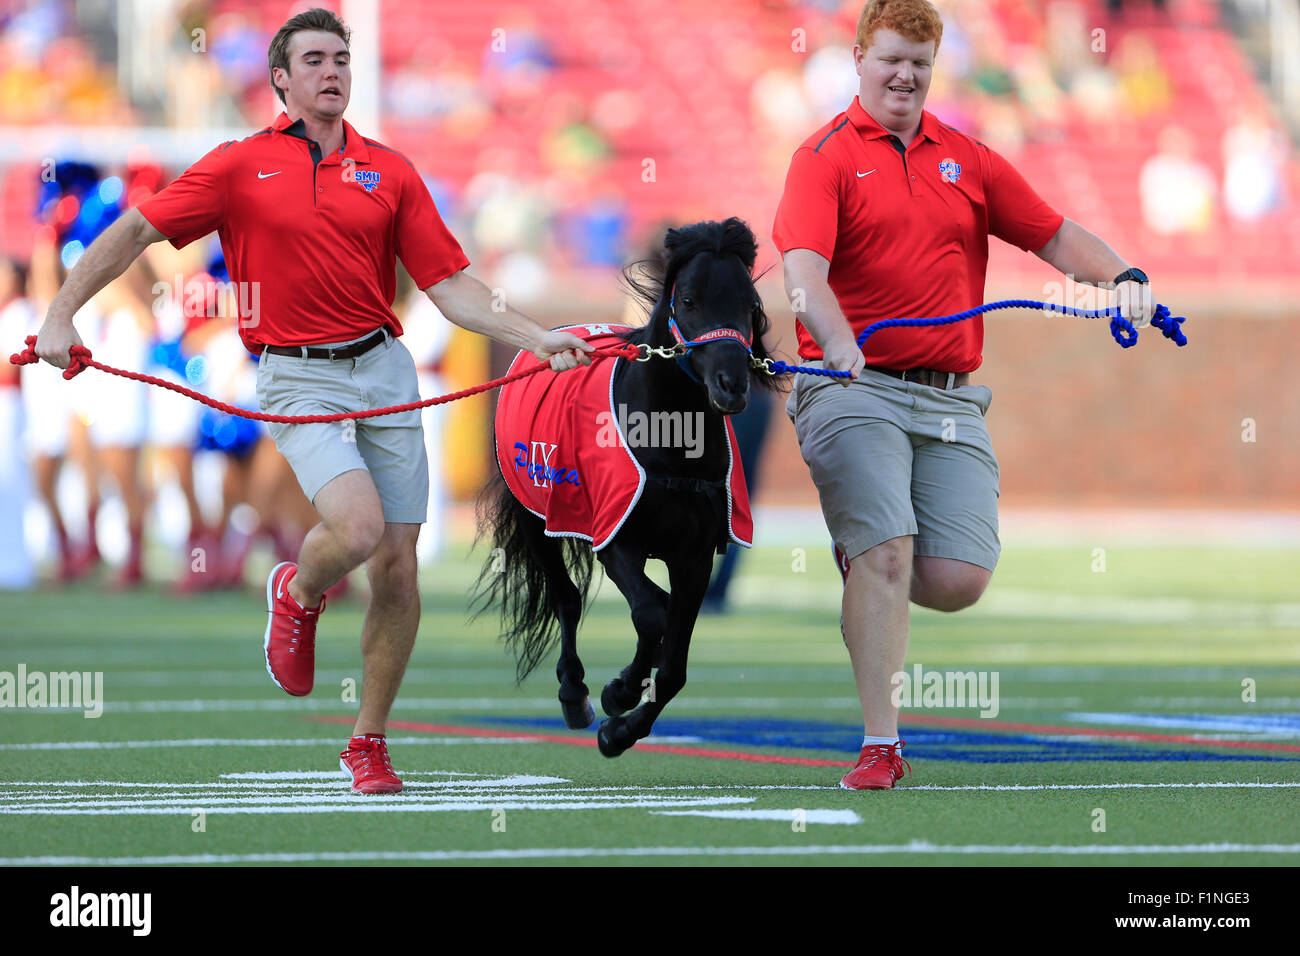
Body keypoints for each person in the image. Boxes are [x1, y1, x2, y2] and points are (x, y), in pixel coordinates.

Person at [33, 7, 593, 794]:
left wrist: (536, 335)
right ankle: (296, 589)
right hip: (297, 376)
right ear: (282, 79)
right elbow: (134, 233)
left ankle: (367, 742)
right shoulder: (237, 164)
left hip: (386, 371)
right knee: (359, 529)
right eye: (315, 60)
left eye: (342, 58)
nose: (333, 71)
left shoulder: (390, 170)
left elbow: (450, 284)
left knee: (399, 570)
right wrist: (60, 314)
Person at [773, 0, 1154, 790]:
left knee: (956, 580)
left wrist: (1123, 279)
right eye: (890, 59)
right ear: (858, 59)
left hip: (950, 400)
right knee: (888, 553)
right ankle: (882, 745)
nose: (905, 76)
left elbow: (1052, 234)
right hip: (854, 389)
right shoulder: (823, 157)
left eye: (919, 62)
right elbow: (802, 273)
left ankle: (870, 547)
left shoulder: (969, 159)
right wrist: (838, 339)